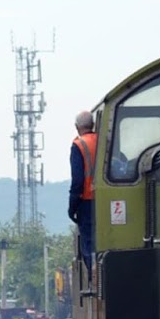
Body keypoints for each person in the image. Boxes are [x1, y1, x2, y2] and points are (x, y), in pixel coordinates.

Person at [68, 110, 97, 276]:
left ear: (77, 127)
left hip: (86, 201)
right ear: (92, 125)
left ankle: (94, 275)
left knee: (88, 242)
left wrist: (72, 207)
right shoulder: (104, 141)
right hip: (105, 200)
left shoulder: (78, 145)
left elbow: (77, 180)